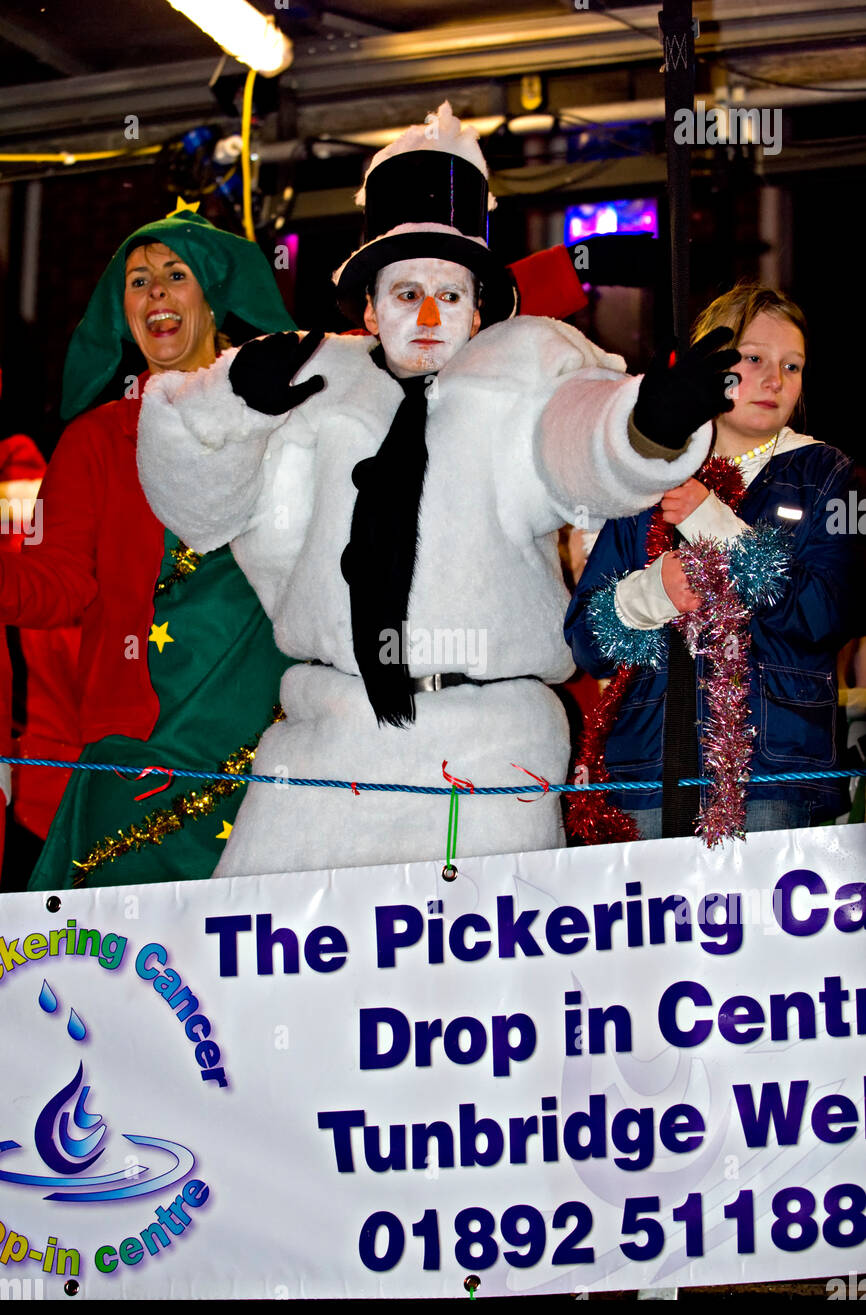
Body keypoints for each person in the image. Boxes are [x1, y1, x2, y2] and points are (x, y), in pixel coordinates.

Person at [138, 103, 737, 878]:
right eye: (404, 291)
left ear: (479, 309)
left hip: (488, 756)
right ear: (367, 306)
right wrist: (233, 404)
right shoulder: (311, 385)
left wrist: (646, 423)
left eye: (449, 295)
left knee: (479, 989)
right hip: (328, 750)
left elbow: (575, 446)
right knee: (268, 975)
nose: (426, 314)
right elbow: (201, 506)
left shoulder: (520, 375)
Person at [0, 204, 295, 889]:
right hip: (139, 751)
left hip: (269, 737)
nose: (155, 292)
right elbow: (60, 585)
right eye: (137, 281)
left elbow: (407, 333)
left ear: (213, 294)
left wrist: (551, 275)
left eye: (174, 274)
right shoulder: (95, 441)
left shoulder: (283, 415)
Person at [565, 283, 862, 840]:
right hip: (645, 776)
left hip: (768, 778)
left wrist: (719, 528)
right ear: (712, 363)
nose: (776, 380)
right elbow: (586, 642)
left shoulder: (828, 475)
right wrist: (651, 593)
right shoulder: (649, 473)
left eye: (793, 366)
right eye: (754, 359)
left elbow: (828, 614)